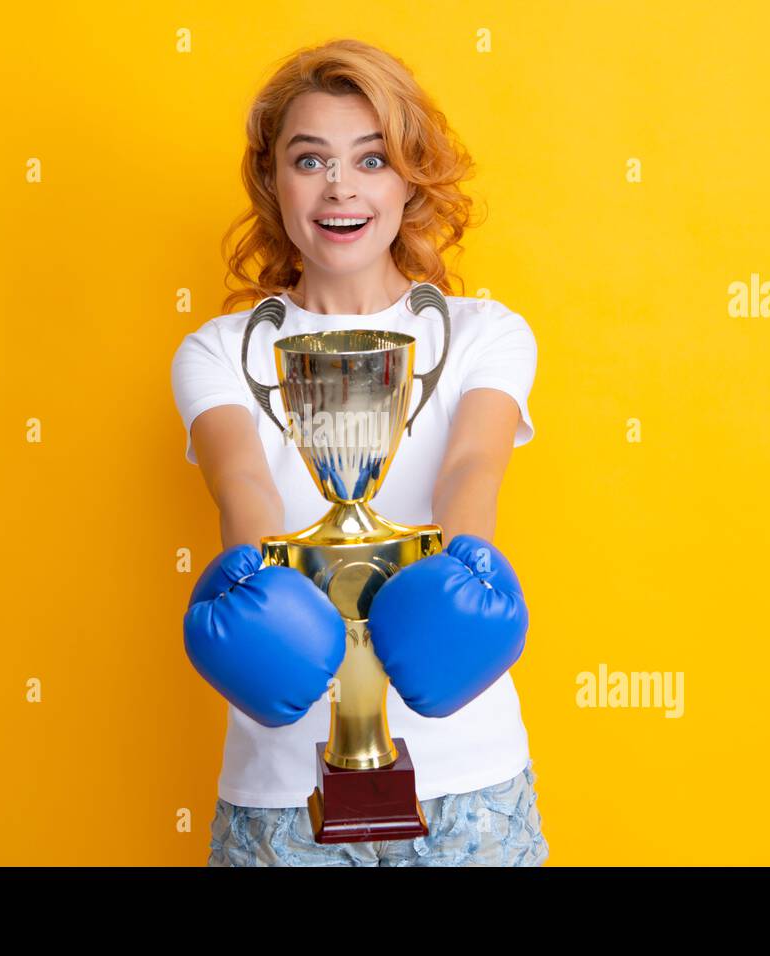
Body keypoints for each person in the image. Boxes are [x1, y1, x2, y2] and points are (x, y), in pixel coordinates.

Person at [171, 38, 549, 867]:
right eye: (311, 160)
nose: (340, 185)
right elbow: (242, 489)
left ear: (409, 177)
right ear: (274, 181)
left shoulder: (486, 333)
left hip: (468, 784)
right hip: (282, 797)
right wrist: (257, 602)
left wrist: (464, 579)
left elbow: (470, 468)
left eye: (370, 158)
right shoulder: (218, 350)